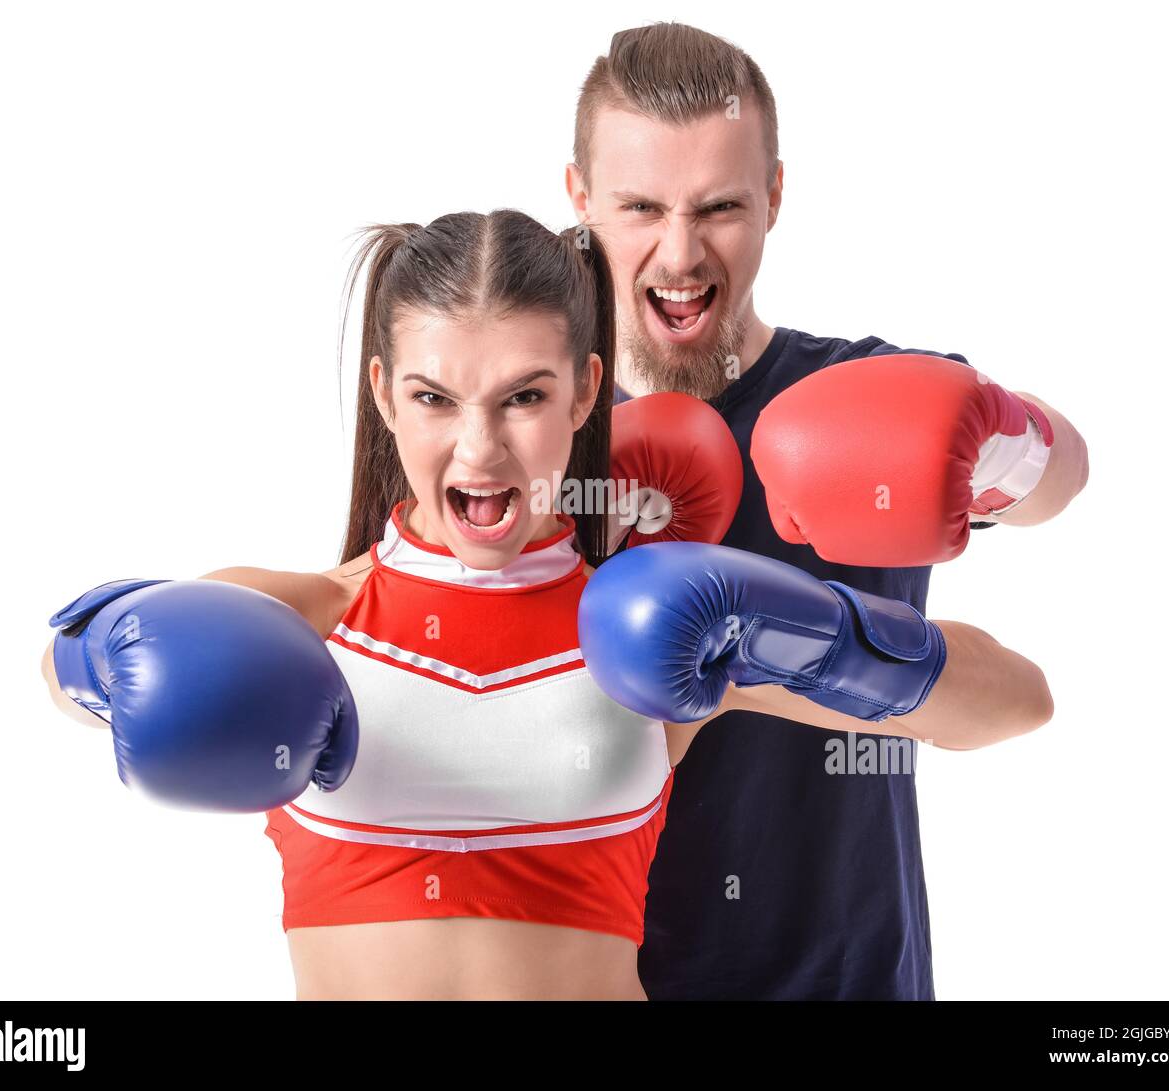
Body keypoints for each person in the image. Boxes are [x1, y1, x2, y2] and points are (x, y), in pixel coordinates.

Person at [41, 209, 742, 1000]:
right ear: (384, 394)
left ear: (585, 389)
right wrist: (105, 653)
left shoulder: (655, 633)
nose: (479, 447)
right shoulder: (299, 624)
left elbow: (910, 707)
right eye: (435, 397)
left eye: (523, 396)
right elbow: (55, 673)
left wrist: (878, 594)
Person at [564, 22, 1090, 999]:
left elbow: (1063, 482)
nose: (678, 253)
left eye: (718, 205)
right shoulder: (528, 445)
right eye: (640, 205)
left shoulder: (860, 394)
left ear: (772, 194)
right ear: (580, 199)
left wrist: (995, 429)